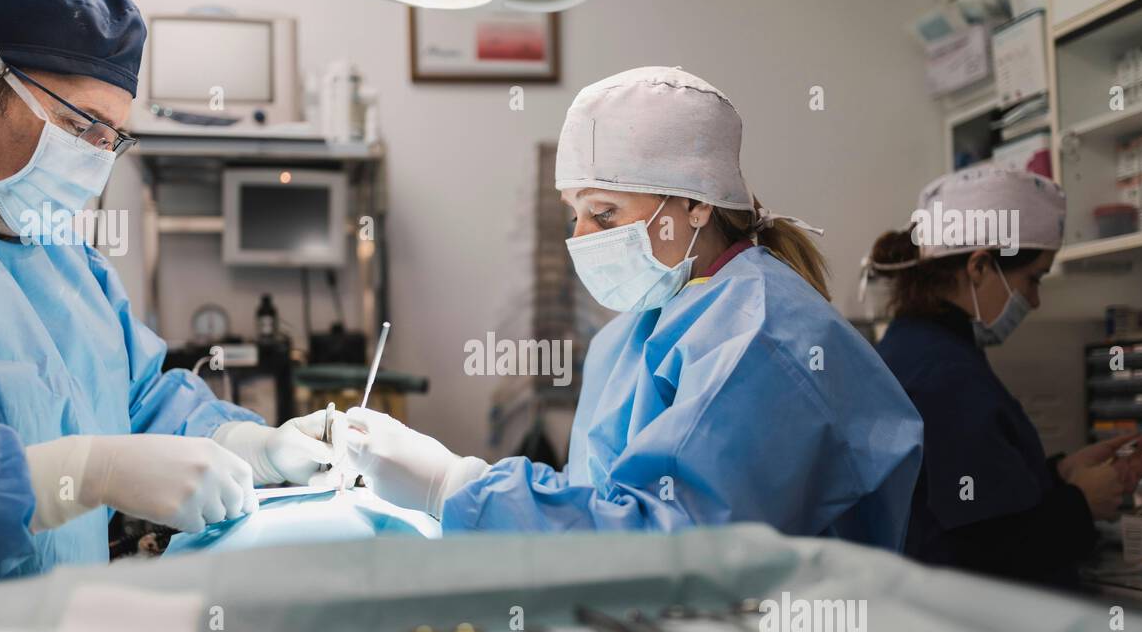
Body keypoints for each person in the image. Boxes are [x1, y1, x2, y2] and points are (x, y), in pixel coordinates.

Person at [0, 0, 333, 597]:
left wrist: (245, 442)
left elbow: (137, 394)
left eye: (111, 138)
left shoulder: (59, 248)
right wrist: (77, 474)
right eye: (79, 125)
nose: (95, 159)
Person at [339, 67, 923, 548]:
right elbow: (594, 505)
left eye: (606, 212)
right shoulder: (636, 331)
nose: (582, 235)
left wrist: (456, 486)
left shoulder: (761, 338)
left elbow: (671, 547)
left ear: (696, 206)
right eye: (575, 212)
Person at [865, 166, 1142, 588]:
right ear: (980, 267)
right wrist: (1081, 504)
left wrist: (1059, 476)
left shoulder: (915, 345)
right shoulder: (945, 374)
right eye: (1033, 279)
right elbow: (985, 551)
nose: (1035, 300)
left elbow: (976, 501)